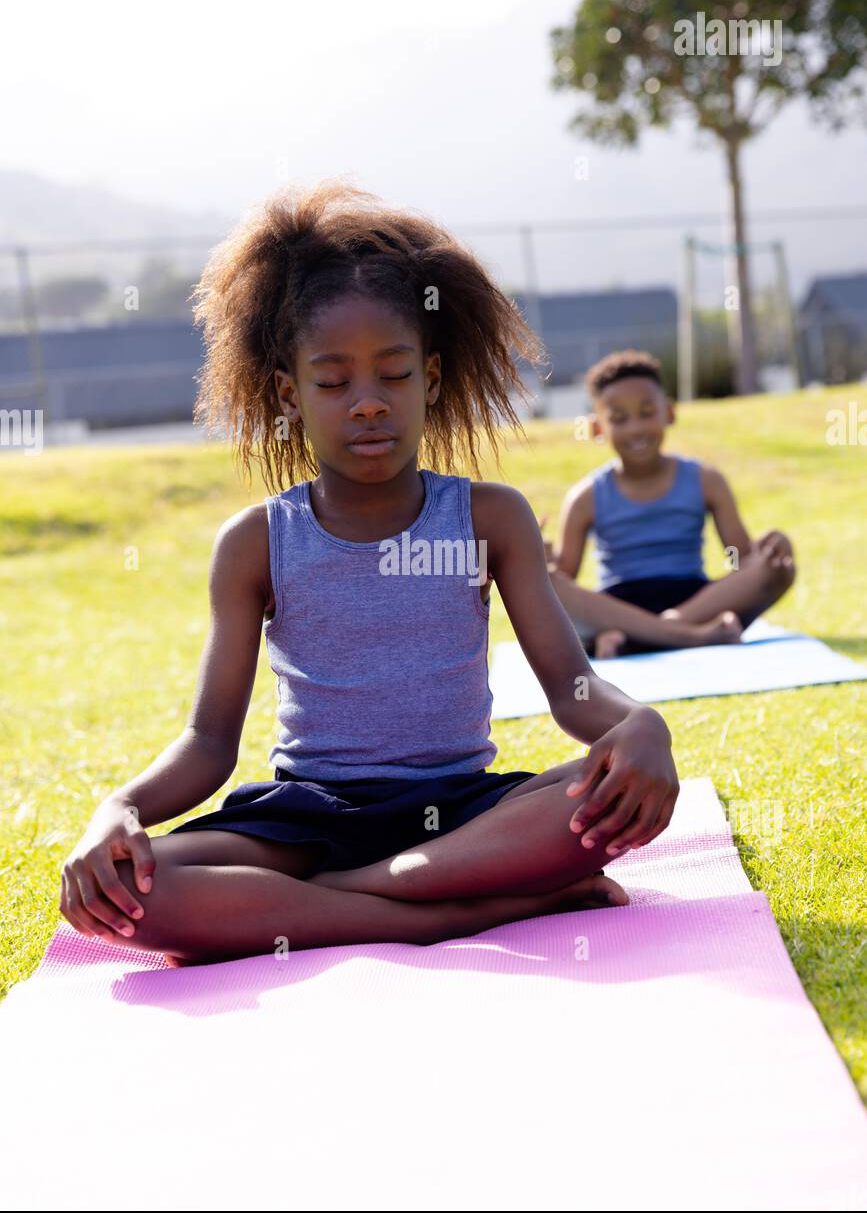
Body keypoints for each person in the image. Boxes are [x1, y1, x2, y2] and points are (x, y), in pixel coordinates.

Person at [59, 183, 679, 965]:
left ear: (432, 378)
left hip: (464, 812)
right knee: (129, 892)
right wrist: (117, 809)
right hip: (306, 822)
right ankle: (445, 912)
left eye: (393, 374)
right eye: (332, 381)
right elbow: (209, 742)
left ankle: (357, 897)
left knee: (601, 802)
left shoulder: (492, 518)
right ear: (289, 392)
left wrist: (640, 727)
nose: (366, 404)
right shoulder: (255, 542)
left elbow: (572, 691)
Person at [546, 350, 796, 658]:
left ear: (669, 413)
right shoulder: (585, 496)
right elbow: (564, 575)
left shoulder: (706, 480)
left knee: (778, 568)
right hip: (618, 605)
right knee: (546, 583)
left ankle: (644, 636)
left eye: (647, 412)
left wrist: (771, 549)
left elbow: (741, 558)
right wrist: (542, 558)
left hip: (694, 600)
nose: (636, 428)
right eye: (619, 419)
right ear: (598, 428)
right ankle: (692, 635)